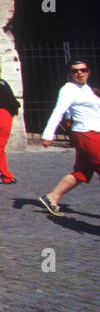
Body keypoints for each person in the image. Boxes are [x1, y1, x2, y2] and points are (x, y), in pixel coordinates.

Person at [38, 59, 100, 216]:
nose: (79, 73)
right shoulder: (68, 90)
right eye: (75, 71)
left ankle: (51, 197)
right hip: (86, 134)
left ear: (88, 72)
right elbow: (58, 111)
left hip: (94, 133)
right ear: (70, 74)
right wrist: (48, 134)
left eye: (83, 70)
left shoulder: (87, 89)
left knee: (82, 172)